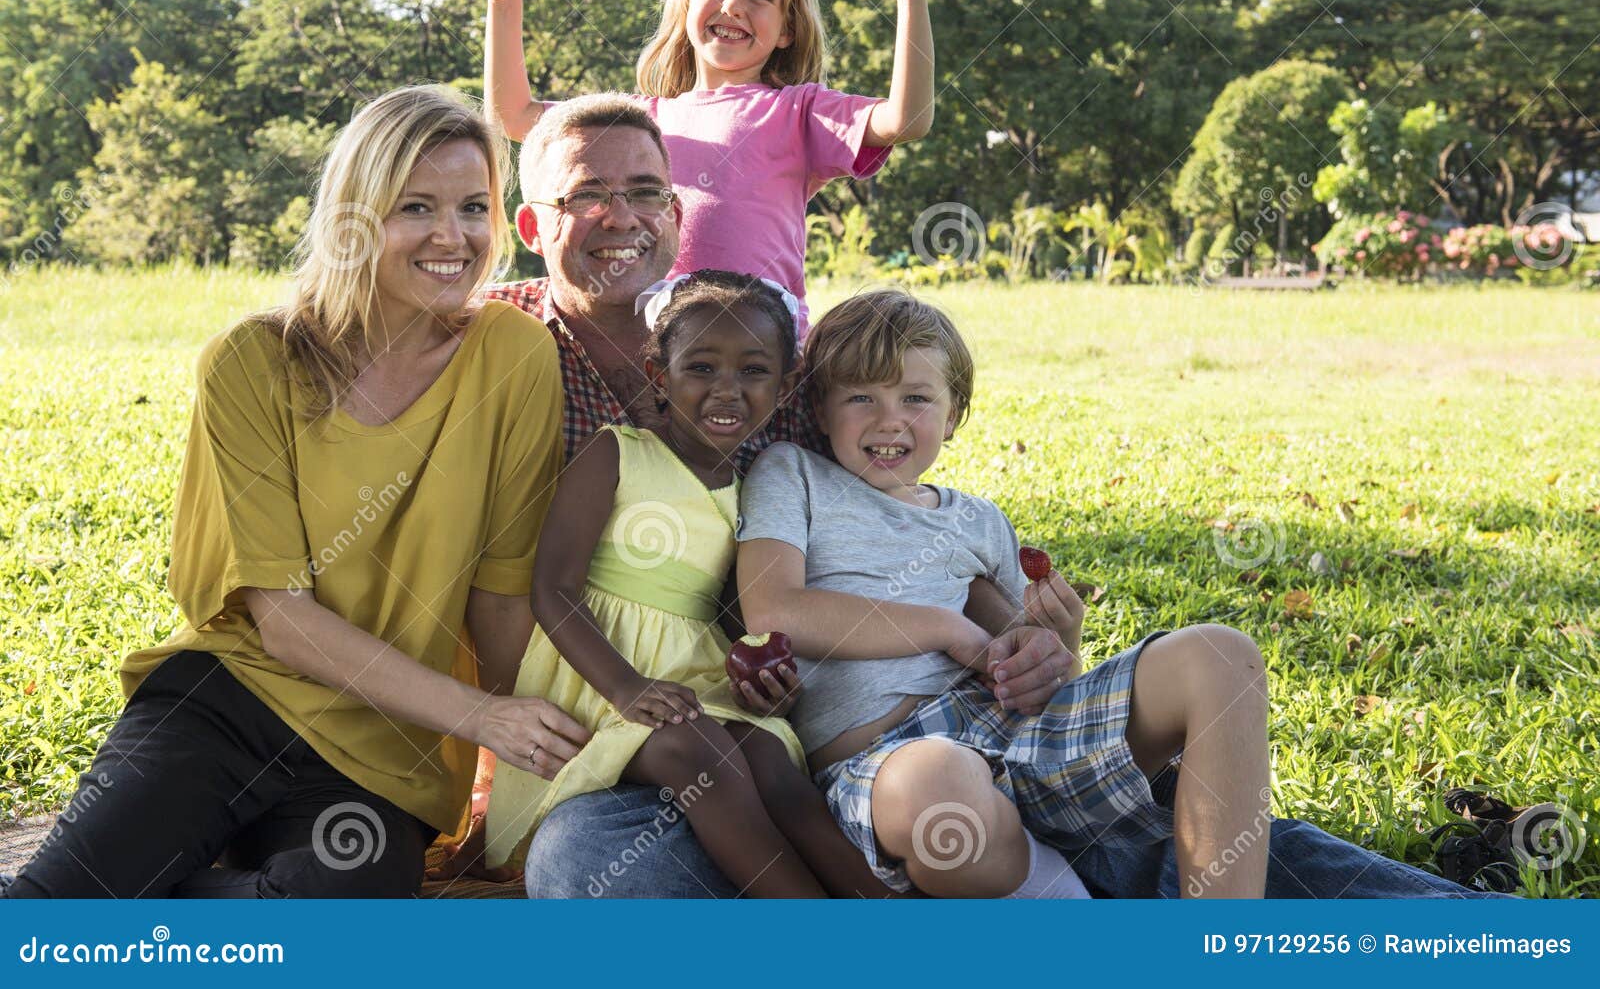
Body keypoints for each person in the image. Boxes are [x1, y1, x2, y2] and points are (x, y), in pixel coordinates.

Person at [479, 96, 1495, 899]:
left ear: (675, 213)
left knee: (1149, 802)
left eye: (644, 192)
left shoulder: (752, 351)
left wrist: (1034, 644)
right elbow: (523, 585)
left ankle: (1439, 938)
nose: (618, 217)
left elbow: (918, 528)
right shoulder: (497, 352)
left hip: (826, 734)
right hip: (654, 745)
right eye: (583, 196)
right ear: (534, 223)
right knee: (587, 862)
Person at [1, 85, 586, 898]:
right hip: (227, 704)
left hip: (390, 750)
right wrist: (483, 717)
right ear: (354, 215)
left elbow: (499, 599)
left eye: (474, 208)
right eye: (415, 207)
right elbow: (282, 622)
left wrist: (535, 759)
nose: (453, 238)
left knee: (338, 917)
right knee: (49, 914)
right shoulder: (249, 362)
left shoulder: (514, 356)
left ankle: (162, 895)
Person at [737, 289, 1270, 897]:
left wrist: (1057, 637)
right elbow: (771, 608)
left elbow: (1045, 670)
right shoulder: (793, 474)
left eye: (915, 398)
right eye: (861, 396)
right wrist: (947, 628)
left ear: (954, 413)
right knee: (940, 790)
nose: (889, 420)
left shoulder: (979, 520)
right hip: (888, 762)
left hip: (1016, 736)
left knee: (1220, 655)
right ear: (820, 409)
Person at [485, 271, 896, 897]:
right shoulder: (616, 454)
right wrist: (625, 687)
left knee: (767, 757)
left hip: (692, 676)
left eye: (753, 371)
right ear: (659, 376)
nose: (726, 390)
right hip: (601, 677)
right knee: (695, 749)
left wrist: (760, 678)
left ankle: (884, 906)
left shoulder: (752, 491)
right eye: (700, 367)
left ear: (785, 389)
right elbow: (553, 589)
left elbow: (731, 616)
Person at [476, 0, 937, 333]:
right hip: (659, 359)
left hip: (761, 359)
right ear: (686, 3)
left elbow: (908, 118)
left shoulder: (799, 110)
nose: (734, 6)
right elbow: (514, 117)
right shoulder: (642, 122)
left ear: (788, 30)